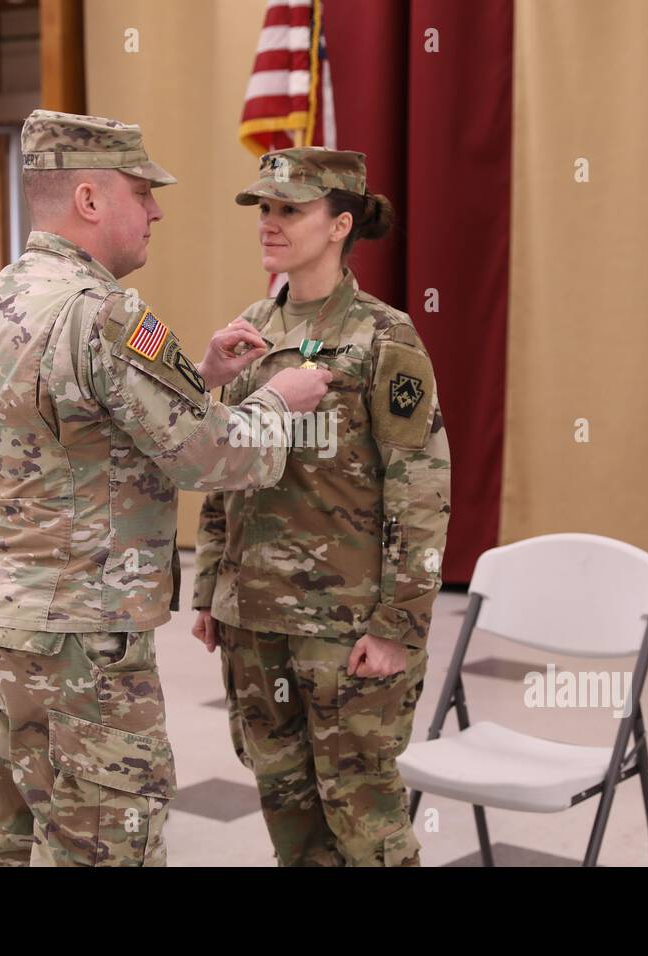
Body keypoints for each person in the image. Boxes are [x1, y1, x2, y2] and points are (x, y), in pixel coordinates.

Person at [0, 111, 330, 867]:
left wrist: (202, 377)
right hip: (74, 639)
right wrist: (279, 399)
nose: (156, 210)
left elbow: (68, 427)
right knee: (104, 847)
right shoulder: (105, 313)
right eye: (143, 191)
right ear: (90, 200)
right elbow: (209, 458)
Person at [193, 147, 451, 866]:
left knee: (363, 813)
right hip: (255, 617)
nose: (271, 225)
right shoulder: (248, 330)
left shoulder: (383, 335)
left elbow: (422, 488)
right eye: (264, 210)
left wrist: (400, 622)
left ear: (340, 225)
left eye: (290, 210)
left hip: (345, 623)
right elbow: (224, 468)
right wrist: (211, 589)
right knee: (287, 808)